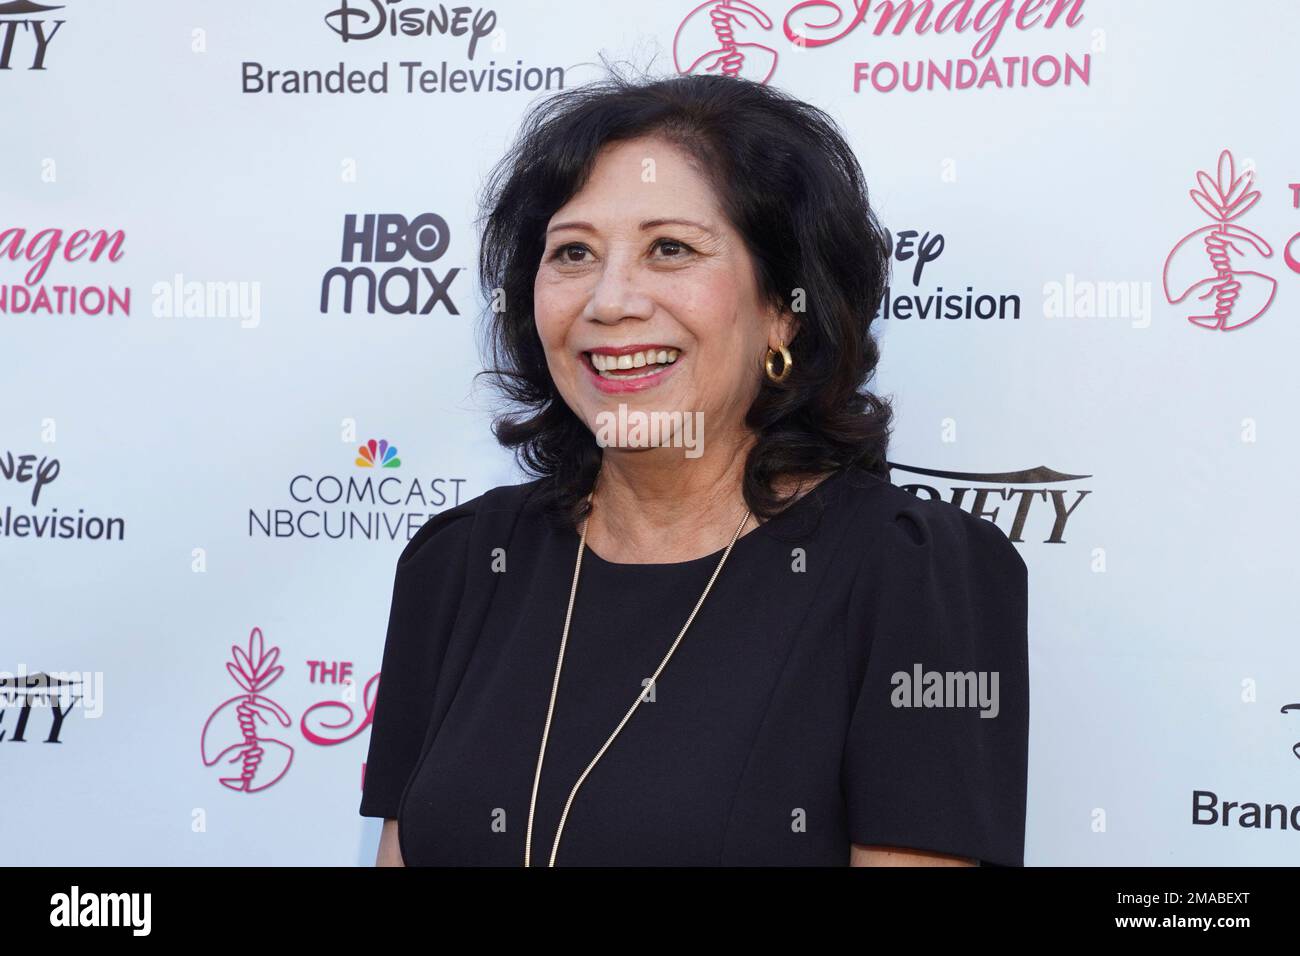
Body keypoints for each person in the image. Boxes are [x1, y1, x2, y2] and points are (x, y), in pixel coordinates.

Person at [358, 69, 1029, 867]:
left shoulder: (911, 574)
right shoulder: (461, 561)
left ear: (784, 307)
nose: (610, 301)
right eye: (572, 252)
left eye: (669, 249)